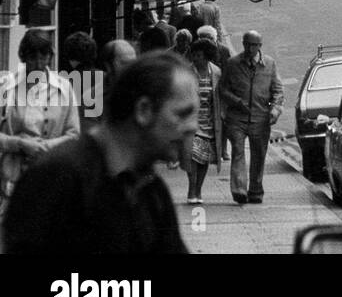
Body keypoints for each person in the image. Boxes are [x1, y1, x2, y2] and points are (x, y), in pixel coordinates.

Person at [1, 51, 195, 254]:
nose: (193, 126)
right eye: (183, 113)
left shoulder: (150, 189)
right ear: (144, 111)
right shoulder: (56, 178)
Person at [0, 30, 81, 222]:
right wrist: (19, 143)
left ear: (50, 57)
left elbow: (73, 133)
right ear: (23, 57)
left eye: (43, 56)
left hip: (51, 173)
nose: (38, 63)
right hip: (13, 175)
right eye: (32, 57)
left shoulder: (64, 87)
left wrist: (46, 147)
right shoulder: (6, 86)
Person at [220, 31, 283, 204]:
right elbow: (223, 89)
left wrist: (275, 110)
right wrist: (236, 101)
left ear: (260, 46)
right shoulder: (232, 63)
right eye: (247, 44)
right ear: (243, 43)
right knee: (238, 152)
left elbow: (278, 91)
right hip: (237, 118)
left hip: (260, 118)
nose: (249, 48)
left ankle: (255, 190)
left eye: (253, 45)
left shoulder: (269, 64)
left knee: (258, 154)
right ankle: (239, 190)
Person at [184, 38, 223, 205]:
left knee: (204, 158)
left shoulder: (216, 72)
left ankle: (198, 189)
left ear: (206, 56)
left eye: (198, 55)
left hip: (210, 121)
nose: (195, 58)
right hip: (192, 122)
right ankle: (191, 189)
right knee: (193, 155)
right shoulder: (187, 71)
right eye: (193, 54)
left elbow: (220, 96)